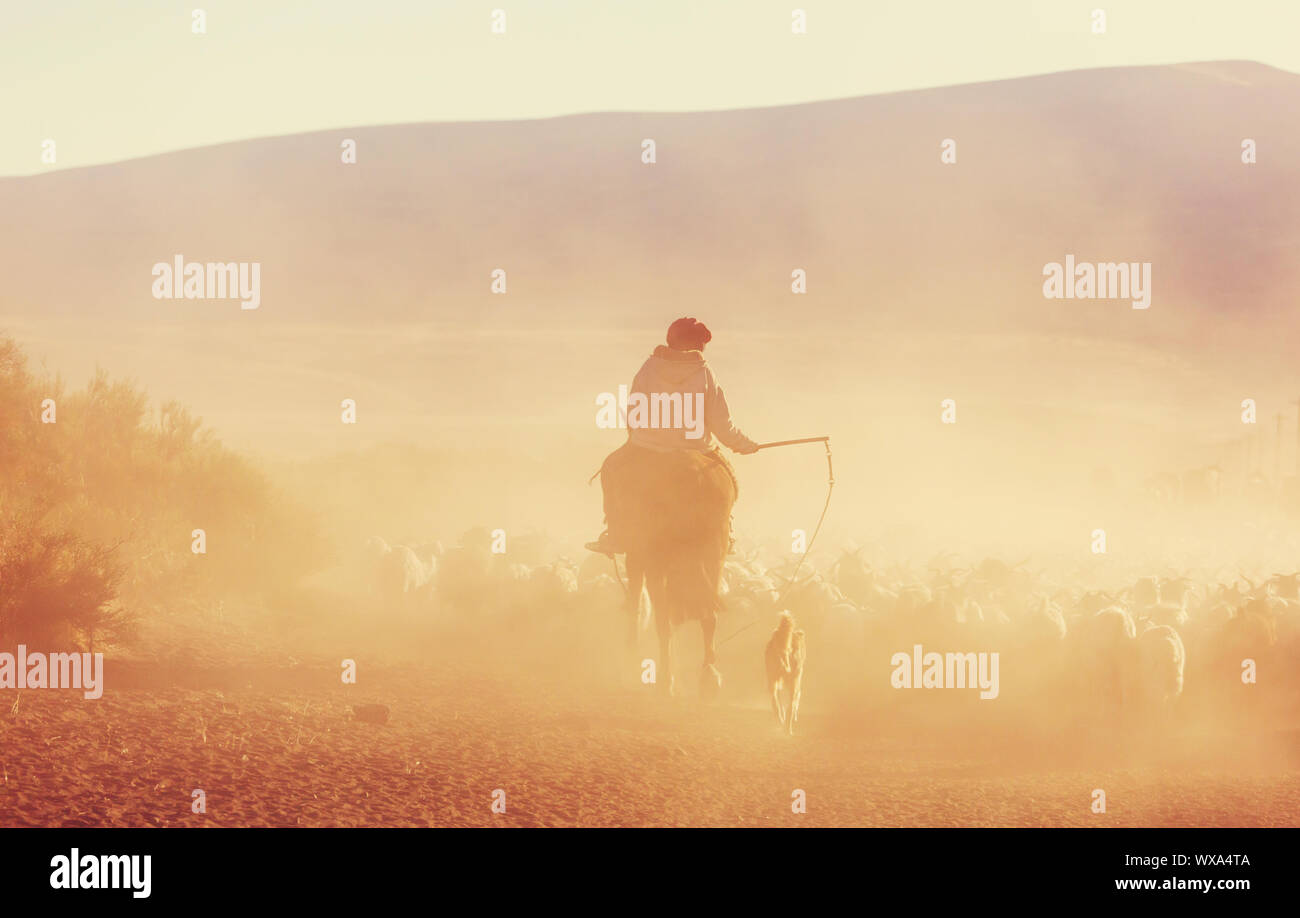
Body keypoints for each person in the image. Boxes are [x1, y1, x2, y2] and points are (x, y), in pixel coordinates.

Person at [586, 317, 759, 557]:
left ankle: (616, 534)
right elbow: (721, 423)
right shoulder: (705, 373)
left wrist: (638, 438)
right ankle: (725, 531)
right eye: (701, 344)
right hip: (697, 449)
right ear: (694, 344)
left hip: (647, 447)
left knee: (611, 467)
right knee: (729, 481)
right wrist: (744, 445)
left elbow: (634, 411)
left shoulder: (648, 368)